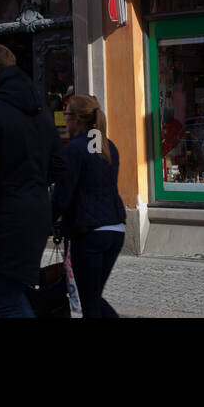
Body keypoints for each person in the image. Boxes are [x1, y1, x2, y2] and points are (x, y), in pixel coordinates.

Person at [0, 44, 65, 318]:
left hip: (6, 216)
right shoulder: (40, 110)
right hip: (37, 212)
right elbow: (60, 165)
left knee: (9, 300)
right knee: (19, 292)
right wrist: (35, 185)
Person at [52, 94, 126, 318]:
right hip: (115, 230)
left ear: (76, 119)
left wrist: (46, 221)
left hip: (89, 233)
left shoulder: (74, 150)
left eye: (66, 115)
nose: (64, 121)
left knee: (91, 302)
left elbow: (63, 196)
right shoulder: (109, 147)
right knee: (92, 297)